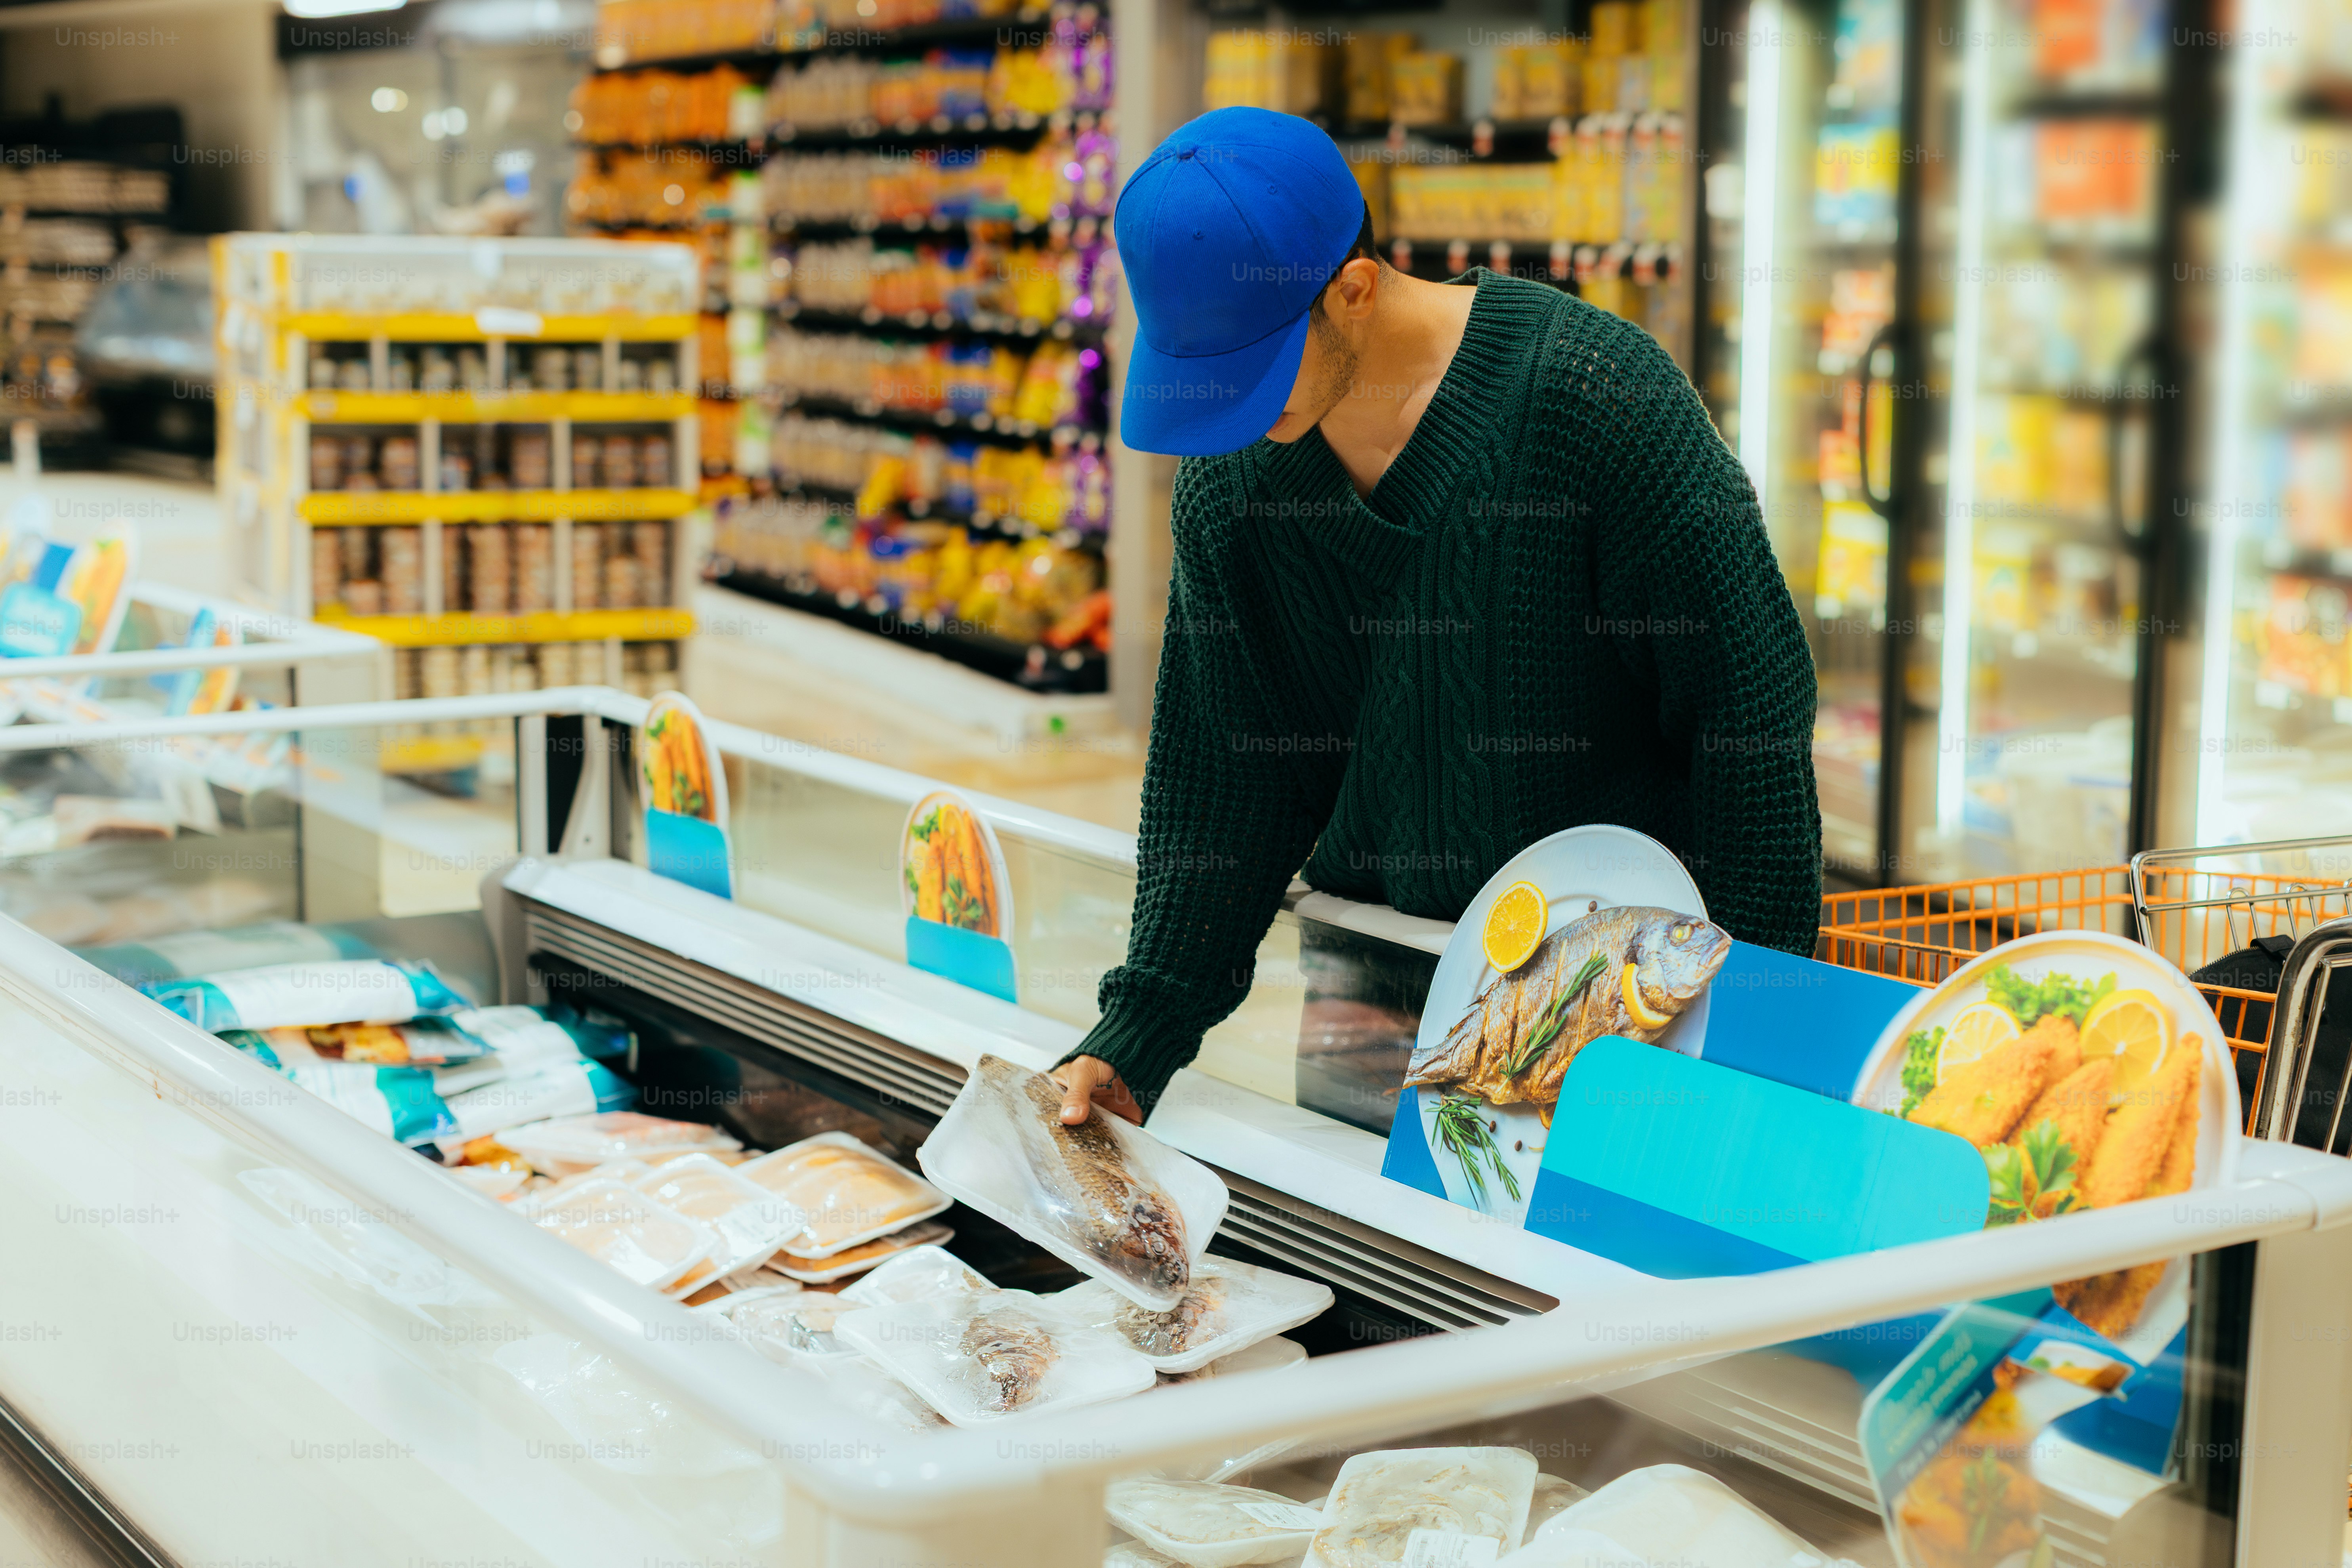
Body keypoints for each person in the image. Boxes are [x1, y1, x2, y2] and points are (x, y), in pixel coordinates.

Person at [1051, 107, 1820, 1128]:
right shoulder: (1234, 487)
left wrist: (1756, 1043)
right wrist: (1139, 1034)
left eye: (1252, 372)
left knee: (1598, 1286)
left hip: (1626, 996)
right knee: (1381, 1280)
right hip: (1368, 989)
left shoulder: (1600, 403)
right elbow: (1226, 778)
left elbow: (1749, 718)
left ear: (1356, 290)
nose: (1231, 413)